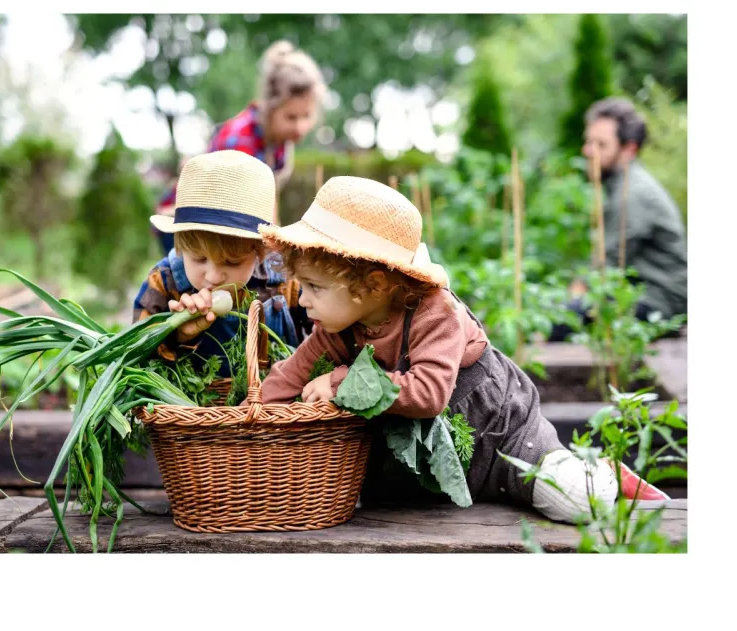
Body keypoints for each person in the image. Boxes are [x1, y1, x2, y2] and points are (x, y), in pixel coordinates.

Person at [233, 175, 666, 524]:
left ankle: (601, 475)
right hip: (425, 466)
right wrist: (239, 424)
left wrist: (341, 380)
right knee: (384, 514)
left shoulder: (433, 312)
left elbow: (428, 393)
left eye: (313, 288)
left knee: (574, 500)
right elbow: (288, 376)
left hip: (500, 436)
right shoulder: (334, 324)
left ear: (373, 286)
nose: (302, 299)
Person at [134, 150, 311, 380]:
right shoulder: (164, 283)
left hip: (277, 411)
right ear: (180, 247)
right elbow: (137, 357)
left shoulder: (286, 279)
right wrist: (178, 333)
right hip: (196, 414)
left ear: (261, 252)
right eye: (199, 258)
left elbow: (329, 336)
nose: (214, 276)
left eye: (232, 262)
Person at [152, 40, 326, 255]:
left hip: (228, 224)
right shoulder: (240, 139)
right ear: (270, 108)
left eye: (306, 116)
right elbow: (238, 208)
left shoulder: (279, 142)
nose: (300, 127)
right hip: (187, 224)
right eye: (291, 117)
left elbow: (268, 199)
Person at [548, 97, 688, 342]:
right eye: (588, 141)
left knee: (560, 322)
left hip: (661, 303)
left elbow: (605, 267)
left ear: (629, 149)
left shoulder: (633, 194)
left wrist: (566, 307)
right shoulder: (623, 183)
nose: (588, 151)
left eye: (600, 144)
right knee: (558, 310)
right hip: (642, 293)